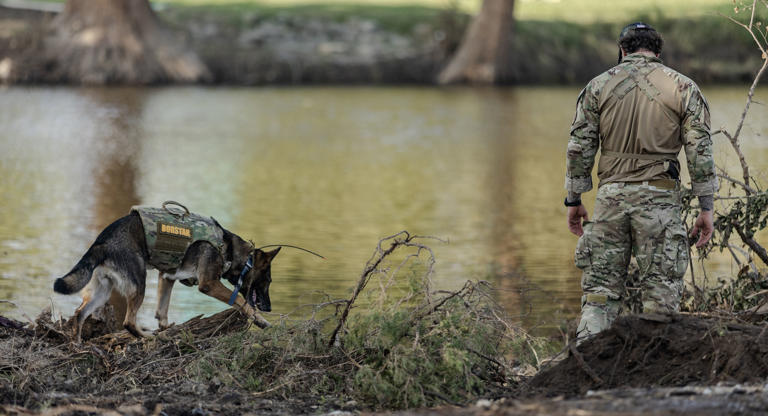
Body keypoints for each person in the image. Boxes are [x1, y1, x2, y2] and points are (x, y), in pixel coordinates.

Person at [564, 22, 718, 342]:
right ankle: (653, 373)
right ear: (658, 53)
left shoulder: (597, 86)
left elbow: (579, 146)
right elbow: (700, 152)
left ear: (622, 50)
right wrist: (706, 208)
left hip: (610, 201)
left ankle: (584, 366)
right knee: (660, 297)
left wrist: (574, 199)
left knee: (600, 295)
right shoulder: (683, 87)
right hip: (659, 203)